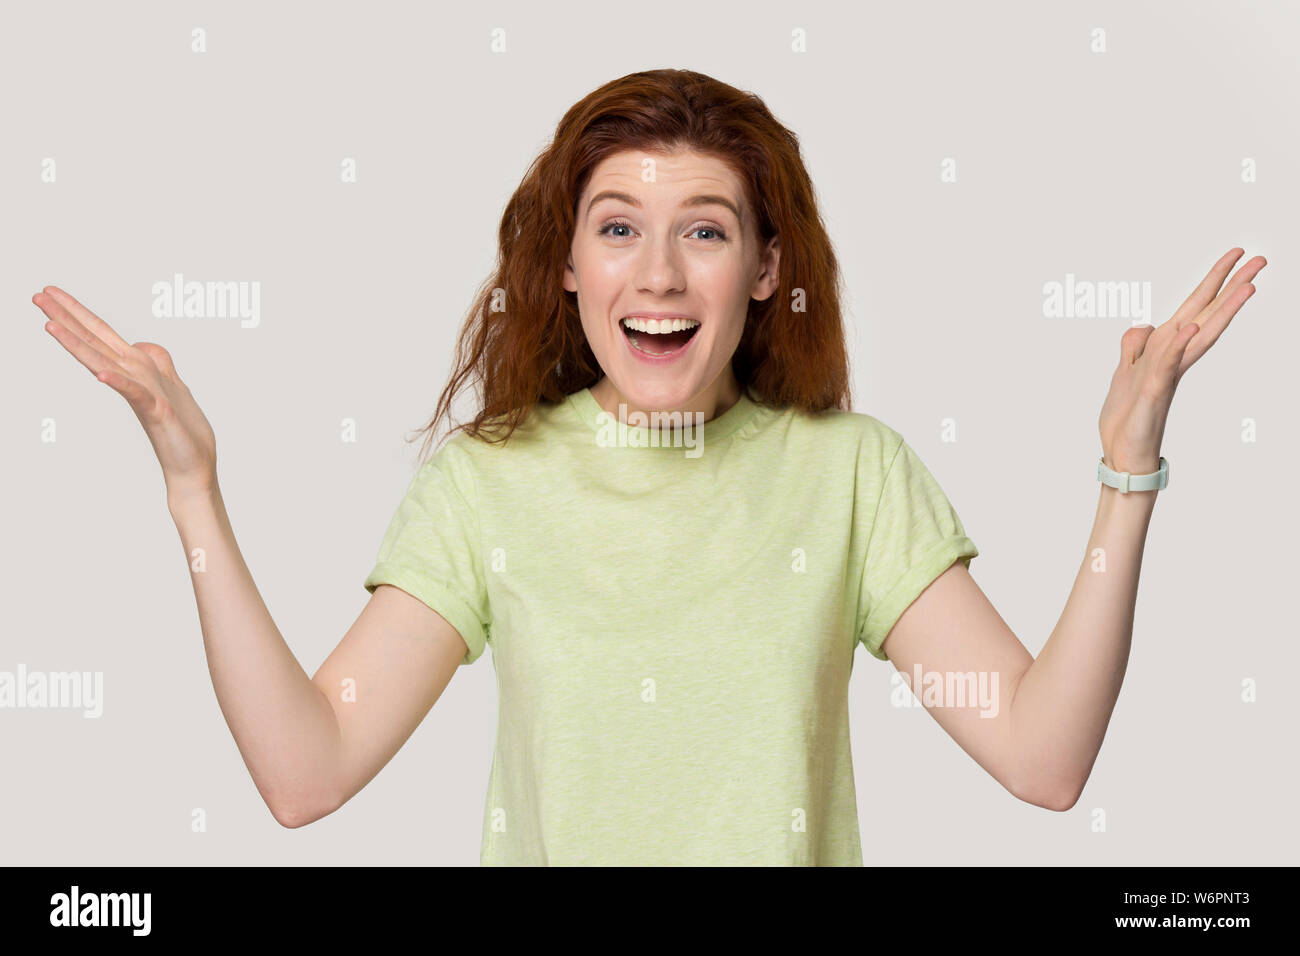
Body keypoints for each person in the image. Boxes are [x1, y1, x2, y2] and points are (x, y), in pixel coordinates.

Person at [33, 68, 1265, 866]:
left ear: (766, 269)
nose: (660, 274)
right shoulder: (490, 483)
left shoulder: (848, 474)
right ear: (567, 266)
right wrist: (191, 487)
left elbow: (1043, 761)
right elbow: (305, 775)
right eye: (617, 227)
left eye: (706, 232)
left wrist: (1125, 471)